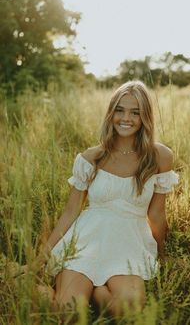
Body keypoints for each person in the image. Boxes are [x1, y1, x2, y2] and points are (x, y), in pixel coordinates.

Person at [34, 80, 179, 317]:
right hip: (87, 239)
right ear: (111, 113)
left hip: (128, 243)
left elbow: (156, 214)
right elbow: (71, 211)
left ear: (145, 117)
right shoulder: (92, 157)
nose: (126, 118)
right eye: (119, 110)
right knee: (68, 312)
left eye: (135, 112)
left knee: (128, 310)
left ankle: (96, 290)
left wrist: (161, 255)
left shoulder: (159, 156)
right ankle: (28, 284)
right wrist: (39, 260)